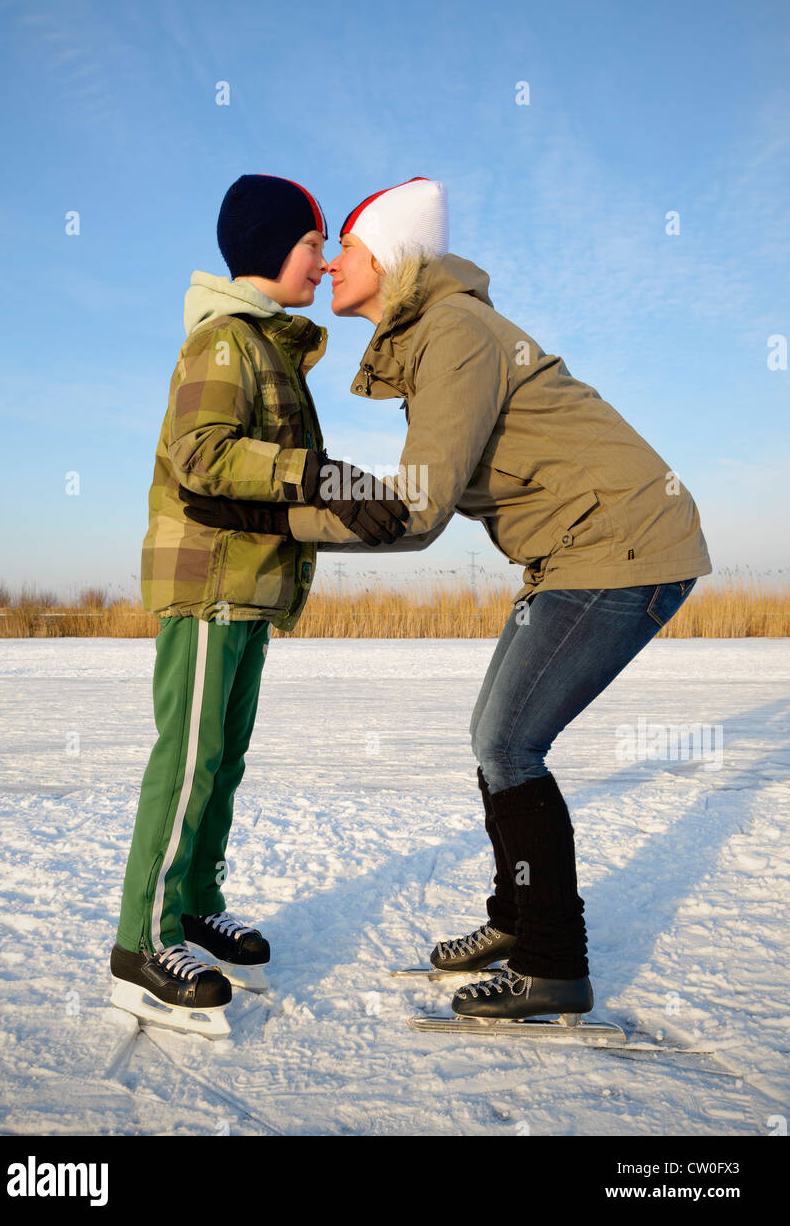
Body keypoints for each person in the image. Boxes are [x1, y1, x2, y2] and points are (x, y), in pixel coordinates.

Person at [183, 175, 712, 1025]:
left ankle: (551, 963)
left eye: (343, 246)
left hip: (619, 545)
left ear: (389, 258)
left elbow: (419, 510)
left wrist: (270, 519)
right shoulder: (433, 334)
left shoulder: (451, 330)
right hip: (578, 550)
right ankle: (516, 923)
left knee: (509, 742)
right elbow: (417, 496)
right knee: (496, 738)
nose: (328, 265)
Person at [110, 174, 407, 1037]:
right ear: (272, 247)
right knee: (189, 758)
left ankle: (196, 906)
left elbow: (276, 476)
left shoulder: (271, 347)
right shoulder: (224, 343)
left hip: (249, 587)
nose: (322, 263)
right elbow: (202, 456)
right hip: (207, 585)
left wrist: (349, 490)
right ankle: (140, 946)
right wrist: (316, 473)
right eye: (314, 245)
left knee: (223, 760)